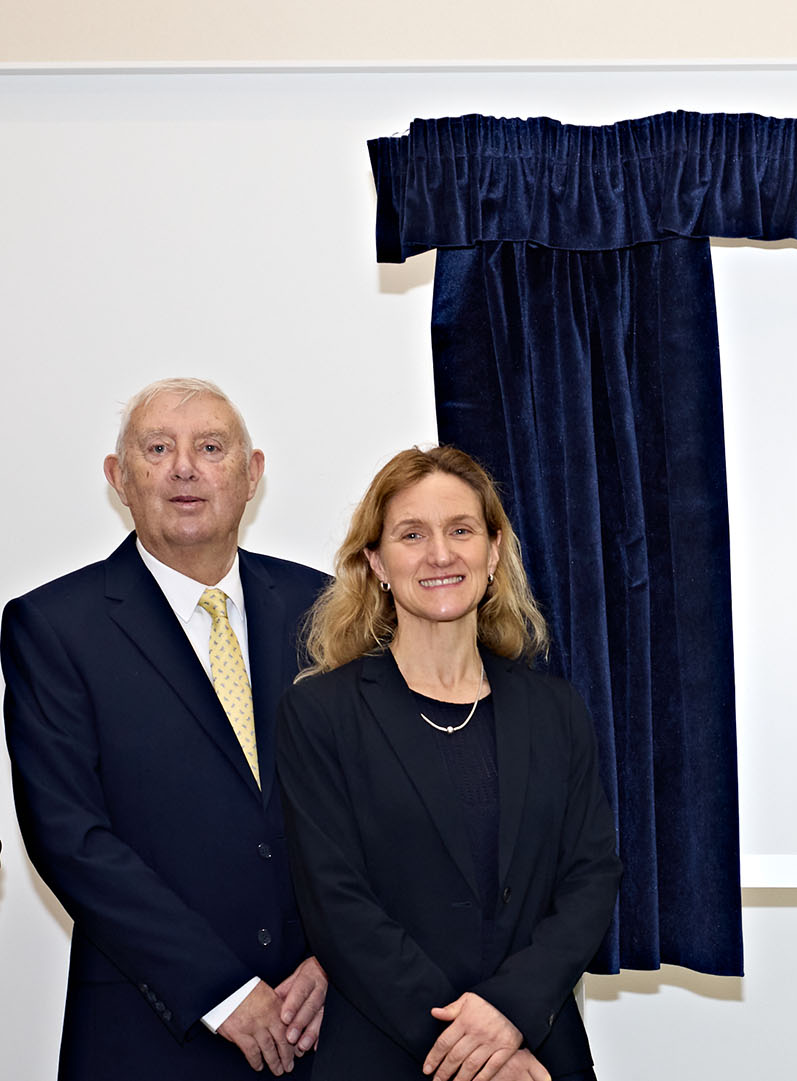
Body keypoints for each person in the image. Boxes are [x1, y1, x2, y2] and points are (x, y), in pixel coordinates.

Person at [3, 378, 329, 1079]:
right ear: (119, 478)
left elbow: (371, 810)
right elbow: (70, 838)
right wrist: (221, 990)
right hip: (151, 1032)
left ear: (252, 474)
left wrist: (337, 957)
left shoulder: (323, 607)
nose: (185, 468)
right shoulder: (54, 627)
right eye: (157, 449)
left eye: (211, 447)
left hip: (319, 1026)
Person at [275, 445, 619, 1081]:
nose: (440, 554)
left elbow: (591, 879)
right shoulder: (321, 713)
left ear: (493, 552)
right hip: (392, 1053)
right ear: (377, 562)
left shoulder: (555, 709)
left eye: (461, 530)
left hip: (538, 1050)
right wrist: (475, 1053)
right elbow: (337, 906)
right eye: (412, 535)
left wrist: (510, 1013)